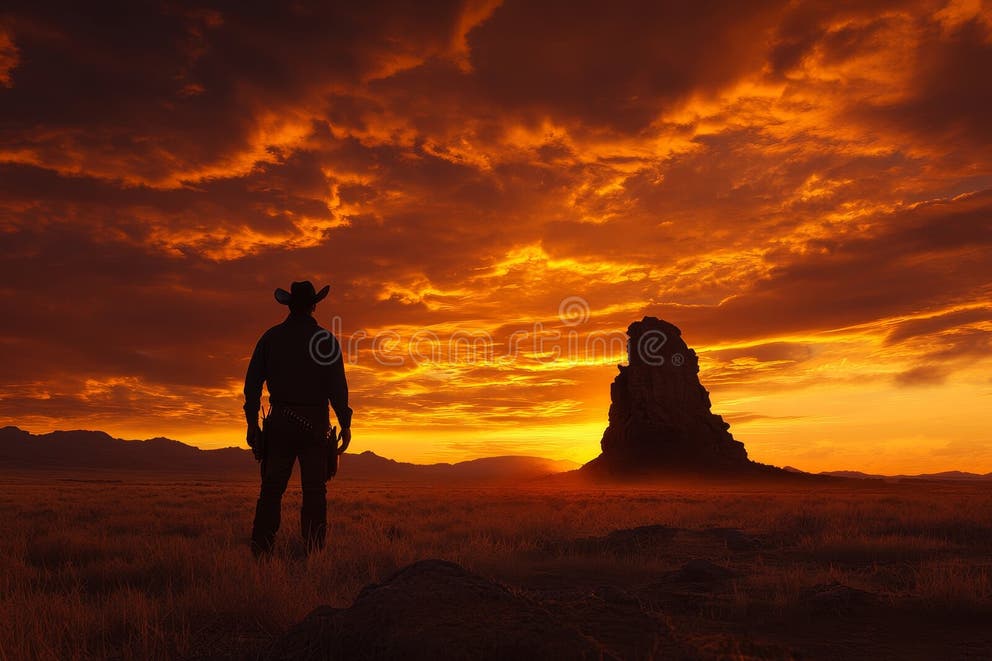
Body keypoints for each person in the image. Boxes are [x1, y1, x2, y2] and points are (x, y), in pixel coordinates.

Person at [243, 280, 352, 557]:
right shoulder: (325, 340)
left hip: (279, 423)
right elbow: (337, 387)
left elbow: (252, 385)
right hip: (315, 426)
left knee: (270, 491)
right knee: (315, 492)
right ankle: (314, 553)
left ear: (289, 305)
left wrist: (252, 424)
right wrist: (346, 423)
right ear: (314, 305)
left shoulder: (270, 338)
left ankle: (261, 552)